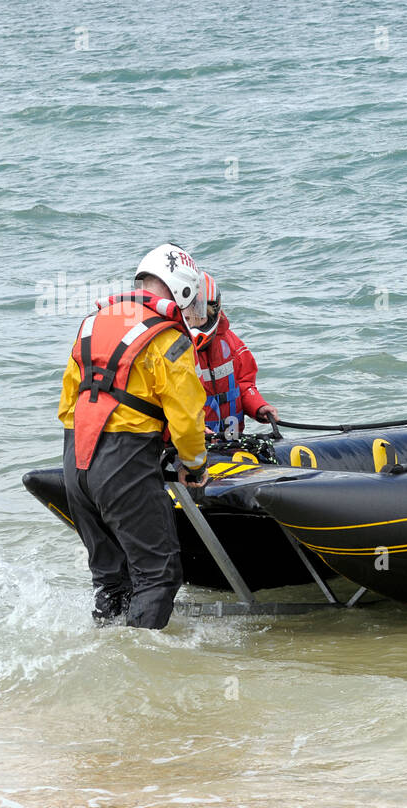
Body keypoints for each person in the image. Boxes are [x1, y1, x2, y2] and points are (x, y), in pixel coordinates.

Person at [57, 242, 209, 629]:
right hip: (124, 464)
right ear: (184, 290)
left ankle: (106, 653)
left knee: (111, 577)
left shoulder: (93, 323)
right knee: (158, 577)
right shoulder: (169, 338)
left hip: (75, 462)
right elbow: (188, 417)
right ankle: (144, 673)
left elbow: (68, 404)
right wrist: (194, 465)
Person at [186, 271, 277, 434]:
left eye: (200, 315)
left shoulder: (231, 343)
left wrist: (258, 406)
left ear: (213, 313)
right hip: (196, 442)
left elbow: (244, 384)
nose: (194, 322)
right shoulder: (174, 348)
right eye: (188, 317)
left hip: (232, 439)